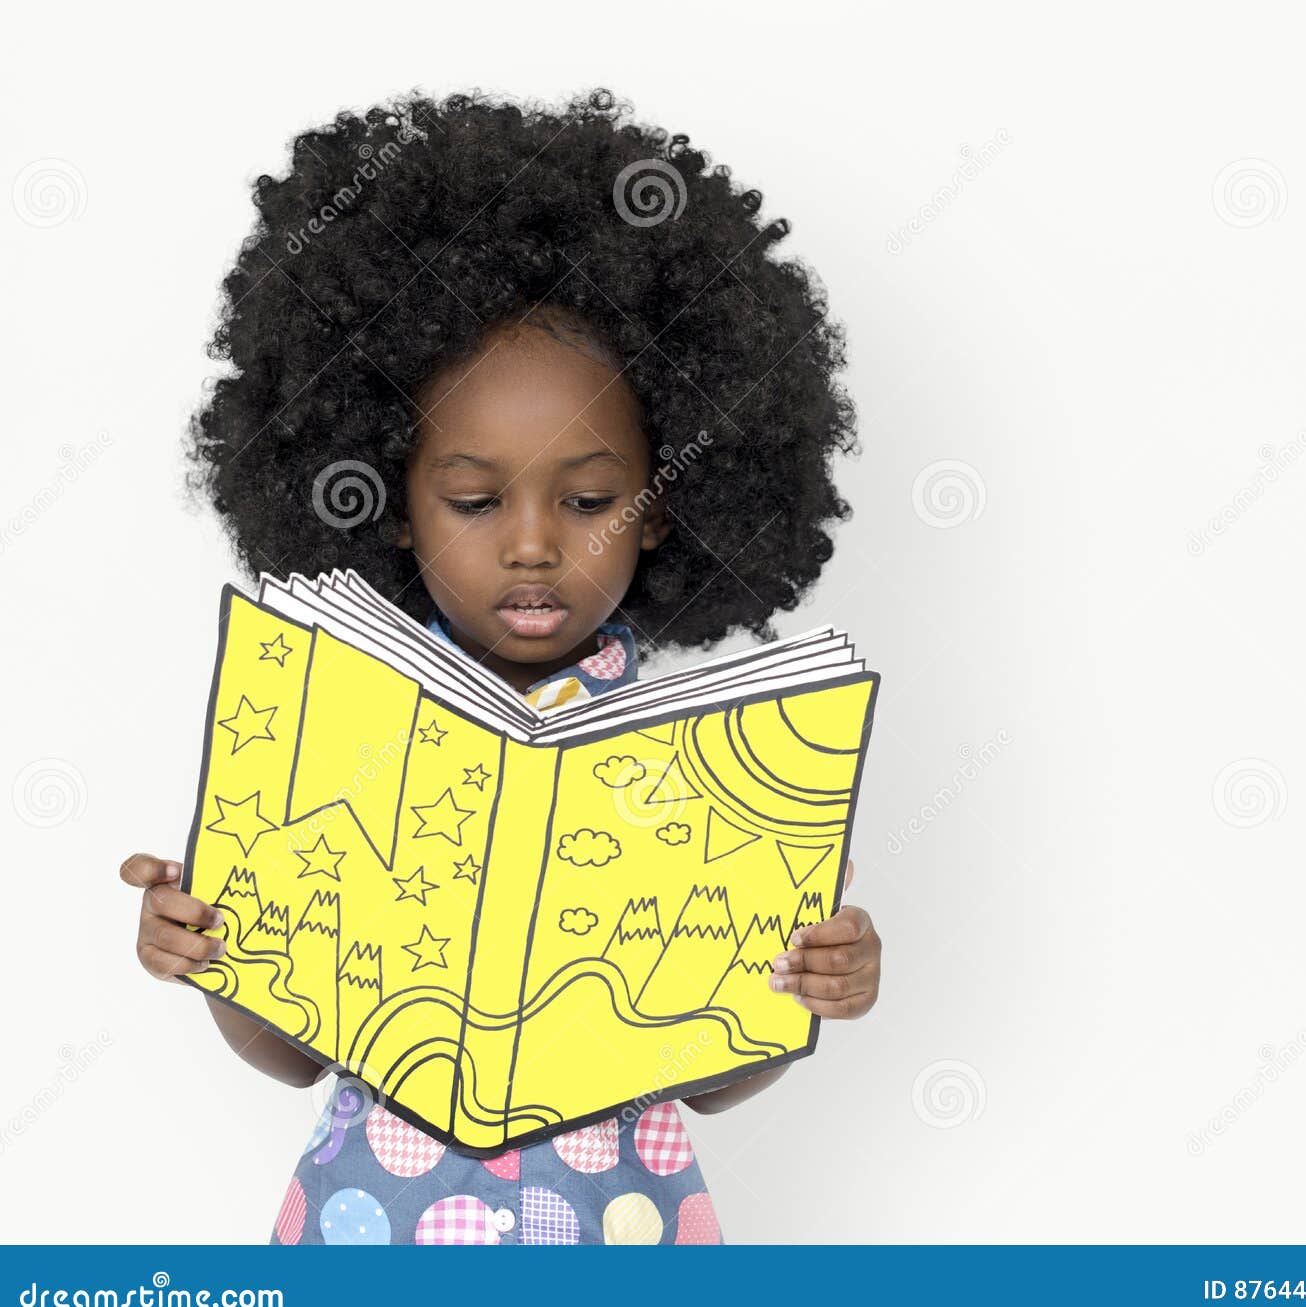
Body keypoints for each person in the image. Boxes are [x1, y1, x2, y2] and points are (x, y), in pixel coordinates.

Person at [118, 88, 882, 1245]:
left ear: (665, 510)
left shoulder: (710, 765)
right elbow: (290, 1056)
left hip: (623, 1239)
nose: (531, 542)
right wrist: (217, 950)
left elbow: (708, 1077)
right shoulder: (338, 724)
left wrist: (800, 992)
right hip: (367, 1239)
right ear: (386, 497)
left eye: (588, 501)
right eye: (474, 500)